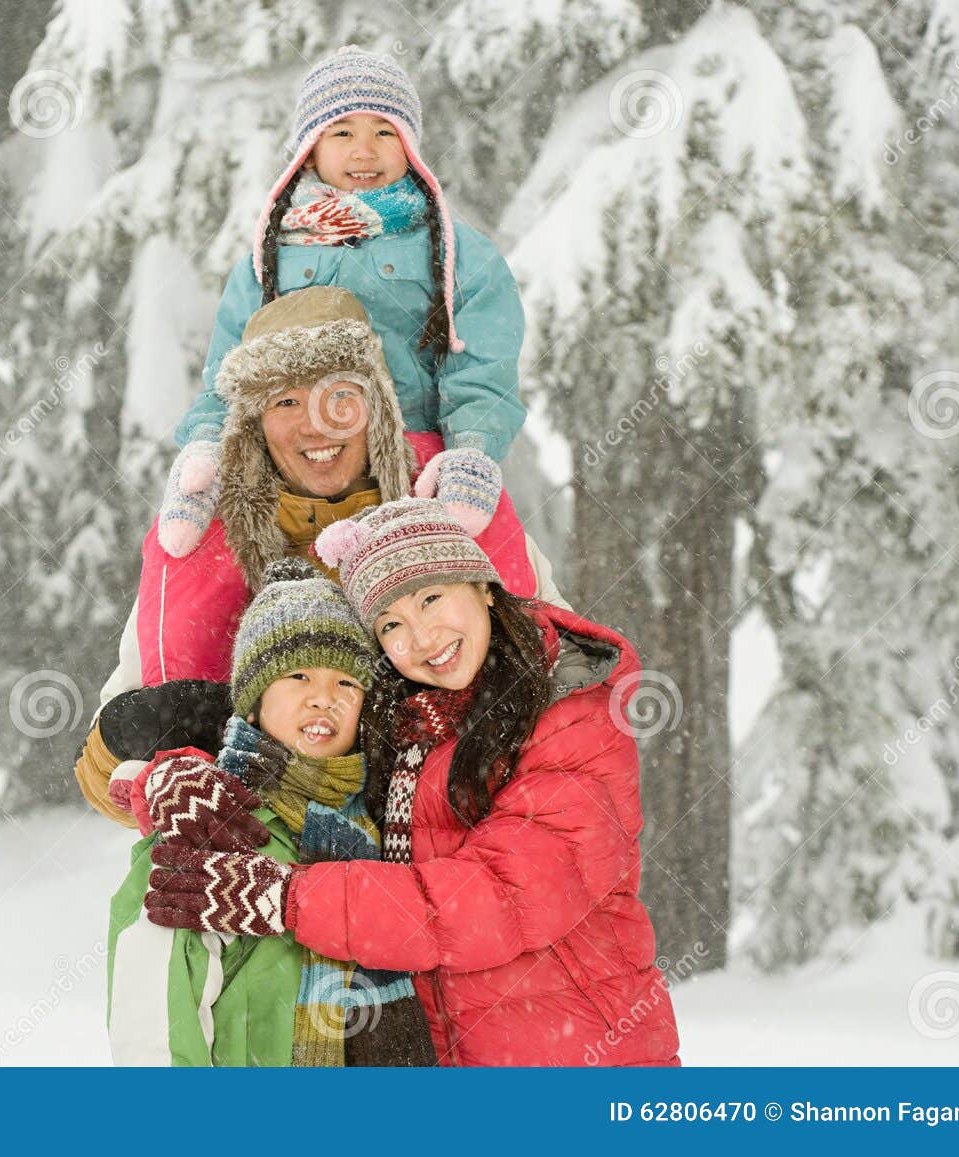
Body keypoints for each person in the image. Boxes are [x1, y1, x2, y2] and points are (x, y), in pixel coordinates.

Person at [143, 499, 683, 1066]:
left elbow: (497, 896)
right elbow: (295, 762)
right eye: (392, 625)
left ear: (483, 585)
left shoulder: (571, 715)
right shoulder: (403, 721)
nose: (422, 639)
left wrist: (288, 899)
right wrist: (175, 777)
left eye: (430, 598)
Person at [74, 288, 567, 829]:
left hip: (444, 837)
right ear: (253, 424)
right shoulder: (202, 539)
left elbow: (566, 675)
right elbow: (112, 762)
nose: (315, 425)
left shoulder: (451, 510)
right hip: (267, 853)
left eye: (338, 394)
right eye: (285, 401)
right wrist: (156, 734)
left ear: (376, 403)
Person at [159, 44, 527, 557]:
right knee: (180, 570)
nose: (364, 150)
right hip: (293, 464)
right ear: (309, 149)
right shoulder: (270, 254)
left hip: (414, 462)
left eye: (384, 131)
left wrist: (472, 452)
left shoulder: (455, 251)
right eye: (342, 132)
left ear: (410, 146)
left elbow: (485, 365)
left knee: (500, 579)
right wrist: (207, 449)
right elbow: (230, 369)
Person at [106, 558, 434, 1066]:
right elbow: (152, 1002)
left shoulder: (379, 822)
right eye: (299, 675)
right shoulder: (208, 817)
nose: (324, 697)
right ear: (253, 703)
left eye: (347, 683)